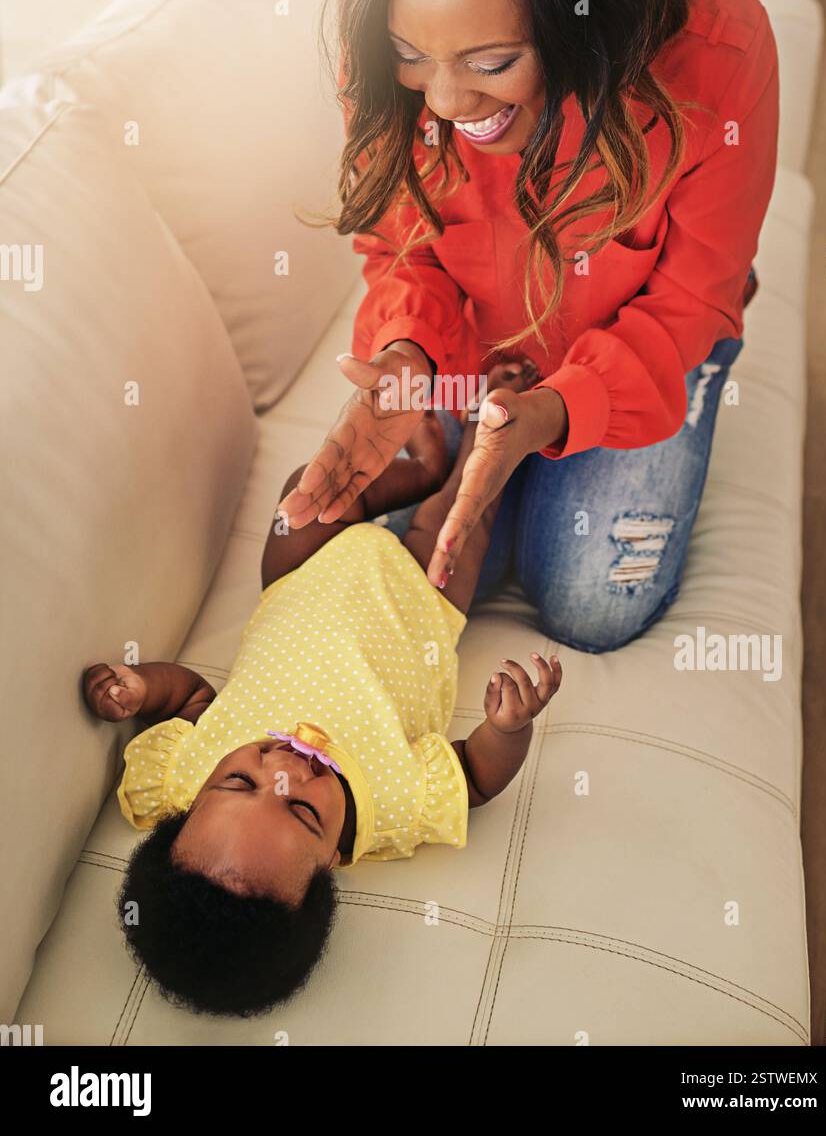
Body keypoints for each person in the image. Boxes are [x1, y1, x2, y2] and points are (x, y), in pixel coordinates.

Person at [279, 0, 778, 653]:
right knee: (388, 562)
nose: (441, 98)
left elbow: (690, 297)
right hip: (470, 341)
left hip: (645, 340)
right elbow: (401, 246)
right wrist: (408, 359)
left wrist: (554, 412)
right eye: (411, 57)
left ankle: (612, 410)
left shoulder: (719, 45)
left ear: (590, 18)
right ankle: (490, 430)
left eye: (492, 60)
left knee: (591, 604)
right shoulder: (387, 33)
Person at [81, 362, 561, 1018]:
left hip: (302, 574)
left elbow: (189, 696)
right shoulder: (391, 810)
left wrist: (139, 688)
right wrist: (506, 730)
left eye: (240, 783)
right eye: (303, 812)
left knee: (298, 504)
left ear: (189, 803)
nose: (288, 766)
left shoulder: (177, 774)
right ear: (331, 860)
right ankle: (479, 443)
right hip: (417, 597)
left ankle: (412, 472)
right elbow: (473, 779)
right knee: (457, 524)